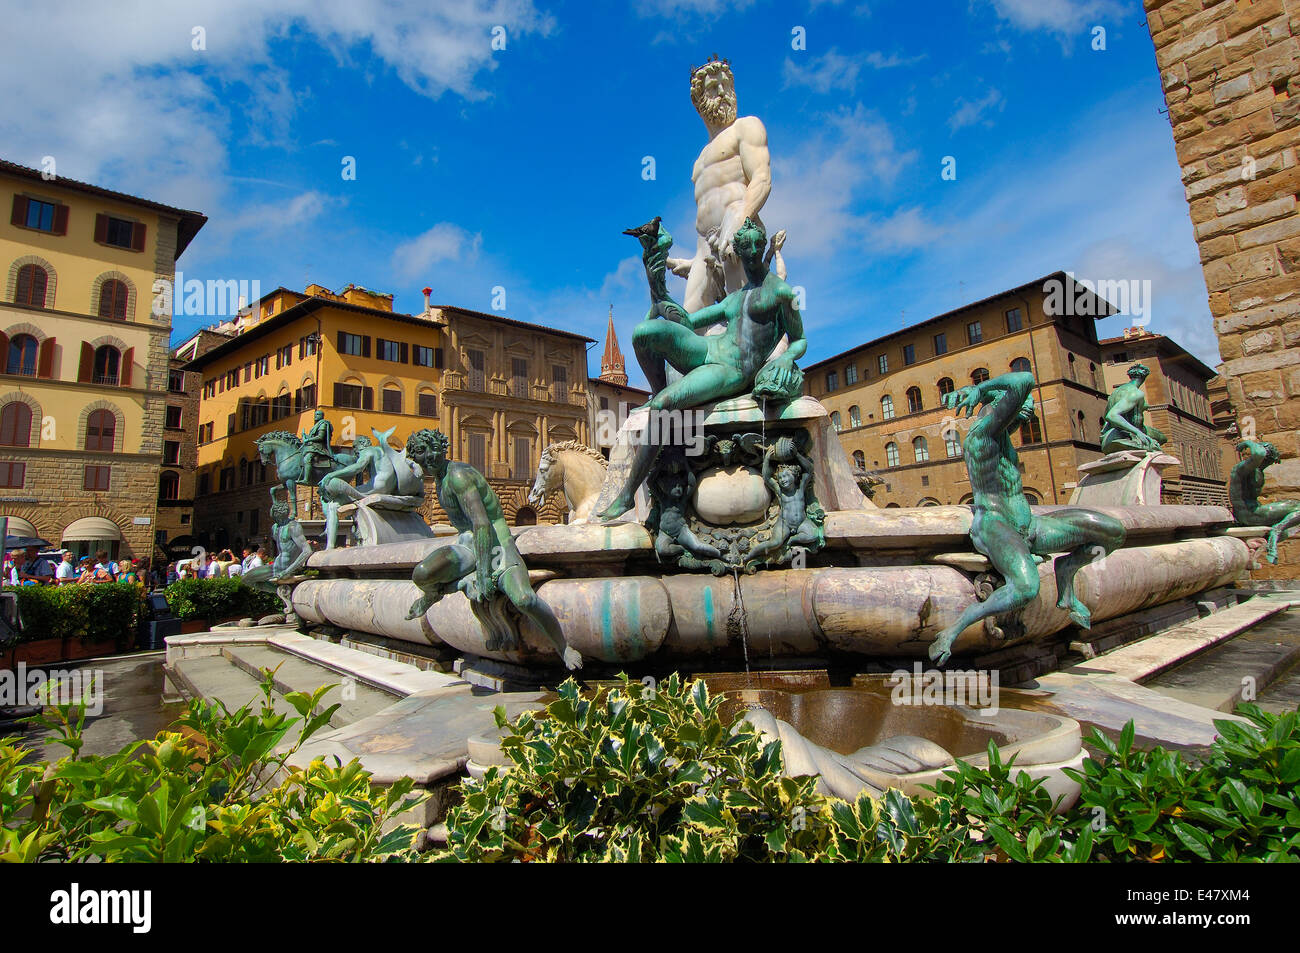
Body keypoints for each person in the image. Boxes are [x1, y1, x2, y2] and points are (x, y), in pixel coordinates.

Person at [927, 371, 1126, 665]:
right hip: (997, 525)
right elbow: (1023, 379)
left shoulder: (1002, 437)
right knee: (1026, 588)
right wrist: (979, 389)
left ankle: (1066, 575)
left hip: (1030, 525)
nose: (1026, 417)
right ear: (1001, 408)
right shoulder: (983, 435)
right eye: (1022, 410)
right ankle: (952, 630)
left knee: (1113, 531)